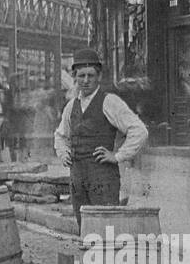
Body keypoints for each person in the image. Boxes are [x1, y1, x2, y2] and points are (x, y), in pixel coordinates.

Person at [54, 48, 148, 223]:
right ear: (75, 77)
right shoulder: (71, 106)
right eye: (81, 76)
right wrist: (63, 153)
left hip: (103, 179)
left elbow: (139, 130)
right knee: (85, 229)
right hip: (77, 178)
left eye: (91, 75)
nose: (86, 80)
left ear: (99, 77)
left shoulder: (110, 101)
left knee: (105, 230)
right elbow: (60, 136)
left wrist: (118, 156)